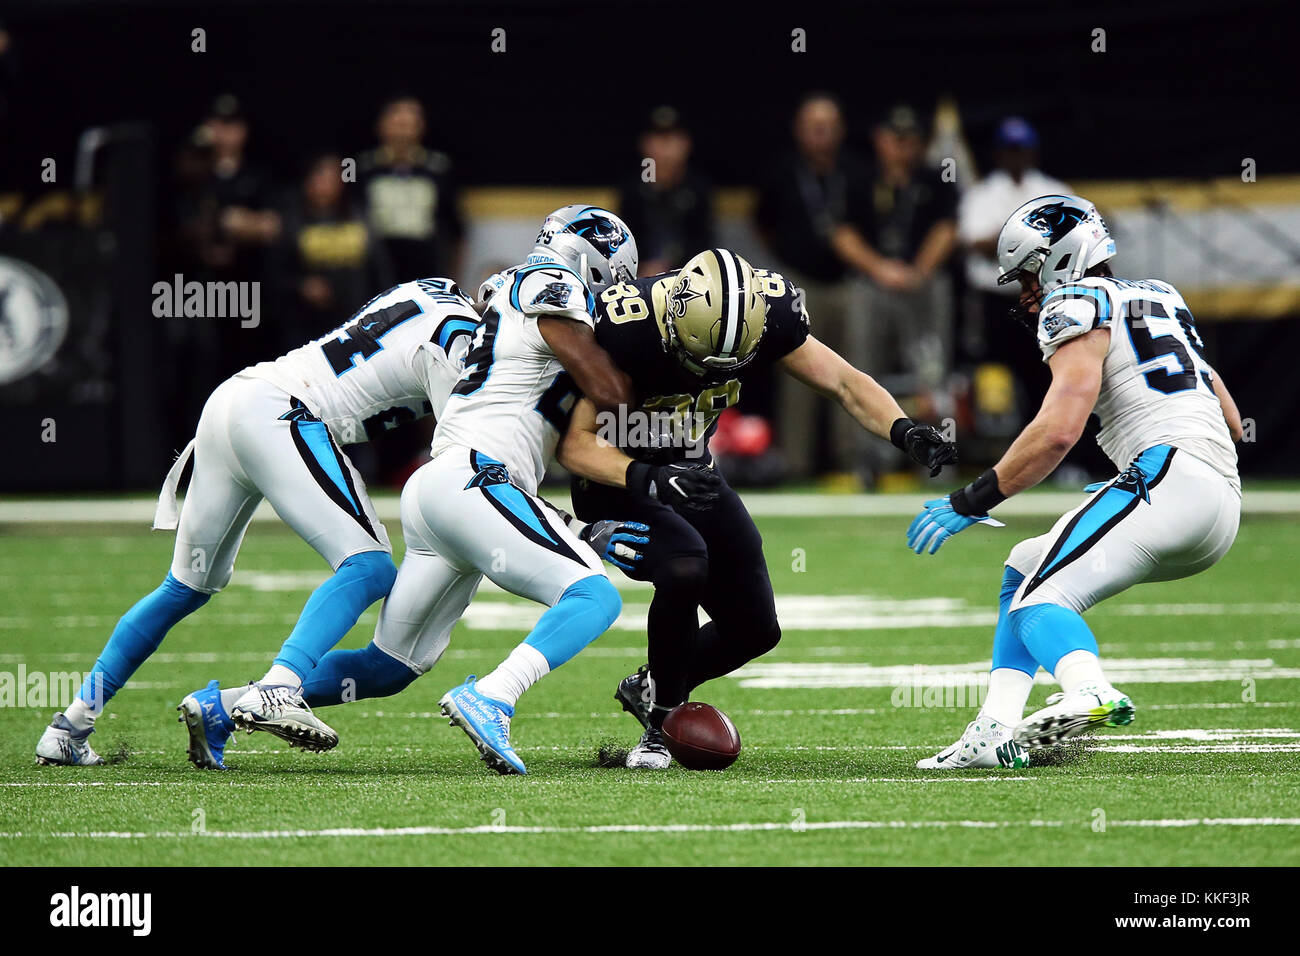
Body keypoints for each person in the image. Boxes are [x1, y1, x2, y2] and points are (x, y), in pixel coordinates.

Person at [35, 278, 482, 767]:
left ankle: (70, 726)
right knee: (369, 568)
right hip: (285, 414)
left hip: (237, 397)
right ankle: (276, 688)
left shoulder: (431, 288)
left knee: (183, 587)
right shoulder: (465, 338)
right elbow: (460, 452)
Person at [558, 248, 957, 768]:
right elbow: (573, 445)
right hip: (617, 480)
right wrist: (648, 477)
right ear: (675, 320)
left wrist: (903, 431)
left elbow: (842, 381)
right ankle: (660, 724)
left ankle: (650, 685)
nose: (707, 374)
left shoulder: (773, 316)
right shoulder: (625, 328)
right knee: (684, 564)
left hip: (692, 471)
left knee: (754, 629)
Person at [289, 205, 643, 776]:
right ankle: (494, 695)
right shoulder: (550, 283)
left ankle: (233, 705)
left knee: (388, 667)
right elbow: (610, 389)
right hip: (475, 476)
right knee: (594, 597)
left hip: (449, 486)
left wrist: (576, 528)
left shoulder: (513, 295)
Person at [907, 195, 1243, 767]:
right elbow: (1231, 421)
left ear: (1058, 258)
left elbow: (1058, 432)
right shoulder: (1162, 297)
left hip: (1166, 476)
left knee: (1039, 602)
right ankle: (993, 729)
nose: (1027, 293)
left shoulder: (1076, 304)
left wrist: (974, 497)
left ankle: (1088, 689)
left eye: (1029, 275)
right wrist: (1140, 477)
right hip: (1217, 498)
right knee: (1024, 565)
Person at [755, 92, 871, 477]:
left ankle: (851, 461)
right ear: (799, 131)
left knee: (851, 371)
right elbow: (763, 225)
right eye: (813, 126)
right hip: (796, 284)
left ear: (839, 131)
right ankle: (795, 462)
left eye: (828, 126)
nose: (820, 134)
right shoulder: (781, 172)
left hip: (847, 284)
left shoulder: (855, 172)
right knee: (799, 373)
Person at [833, 104, 959, 404]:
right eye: (895, 138)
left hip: (923, 283)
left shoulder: (936, 178)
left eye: (910, 138)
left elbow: (947, 228)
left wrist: (919, 271)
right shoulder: (859, 179)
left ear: (921, 142)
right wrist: (879, 269)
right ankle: (867, 447)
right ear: (879, 139)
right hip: (871, 284)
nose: (903, 146)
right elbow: (842, 234)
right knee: (861, 367)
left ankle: (933, 439)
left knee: (931, 368)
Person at [957, 117, 1069, 404]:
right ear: (999, 153)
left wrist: (1008, 236)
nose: (1015, 155)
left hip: (1044, 302)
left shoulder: (1054, 190)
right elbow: (976, 243)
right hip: (996, 302)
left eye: (1021, 149)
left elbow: (1070, 242)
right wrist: (1032, 236)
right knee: (997, 379)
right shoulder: (982, 194)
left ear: (1032, 152)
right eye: (1009, 149)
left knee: (1045, 378)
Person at [270, 153, 394, 352]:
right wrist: (301, 285)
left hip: (356, 318)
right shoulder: (290, 220)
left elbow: (379, 267)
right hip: (305, 323)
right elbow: (274, 272)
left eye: (333, 178)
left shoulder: (359, 216)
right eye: (320, 176)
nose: (326, 184)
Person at [357, 95, 464, 282]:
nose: (403, 132)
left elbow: (455, 227)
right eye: (397, 124)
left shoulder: (439, 168)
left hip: (426, 264)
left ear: (421, 126)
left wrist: (454, 274)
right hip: (376, 265)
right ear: (381, 125)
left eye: (409, 124)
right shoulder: (361, 167)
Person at [616, 105, 715, 277]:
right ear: (645, 143)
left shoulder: (698, 188)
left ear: (686, 143)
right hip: (639, 277)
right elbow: (624, 240)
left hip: (690, 277)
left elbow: (703, 242)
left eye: (672, 139)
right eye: (658, 139)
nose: (665, 149)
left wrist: (672, 267)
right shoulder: (634, 189)